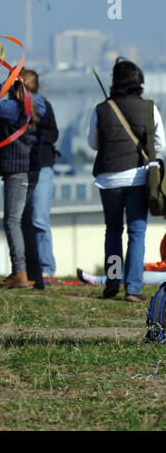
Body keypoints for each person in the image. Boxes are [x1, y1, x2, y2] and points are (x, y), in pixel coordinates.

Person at [87, 58, 164, 302]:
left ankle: (112, 283)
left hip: (108, 179)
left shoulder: (101, 108)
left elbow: (92, 144)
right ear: (139, 81)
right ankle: (132, 287)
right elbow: (160, 143)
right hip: (138, 177)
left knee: (112, 231)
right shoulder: (149, 108)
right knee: (137, 232)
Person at [0, 76, 44, 288]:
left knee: (12, 221)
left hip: (17, 169)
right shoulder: (39, 104)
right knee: (21, 220)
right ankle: (26, 271)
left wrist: (3, 84)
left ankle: (19, 272)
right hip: (30, 168)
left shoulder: (14, 107)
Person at [21, 69, 58, 286]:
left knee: (38, 219)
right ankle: (31, 267)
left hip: (41, 164)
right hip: (27, 166)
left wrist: (35, 137)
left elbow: (53, 133)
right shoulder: (13, 108)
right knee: (28, 220)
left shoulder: (44, 106)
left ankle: (46, 267)